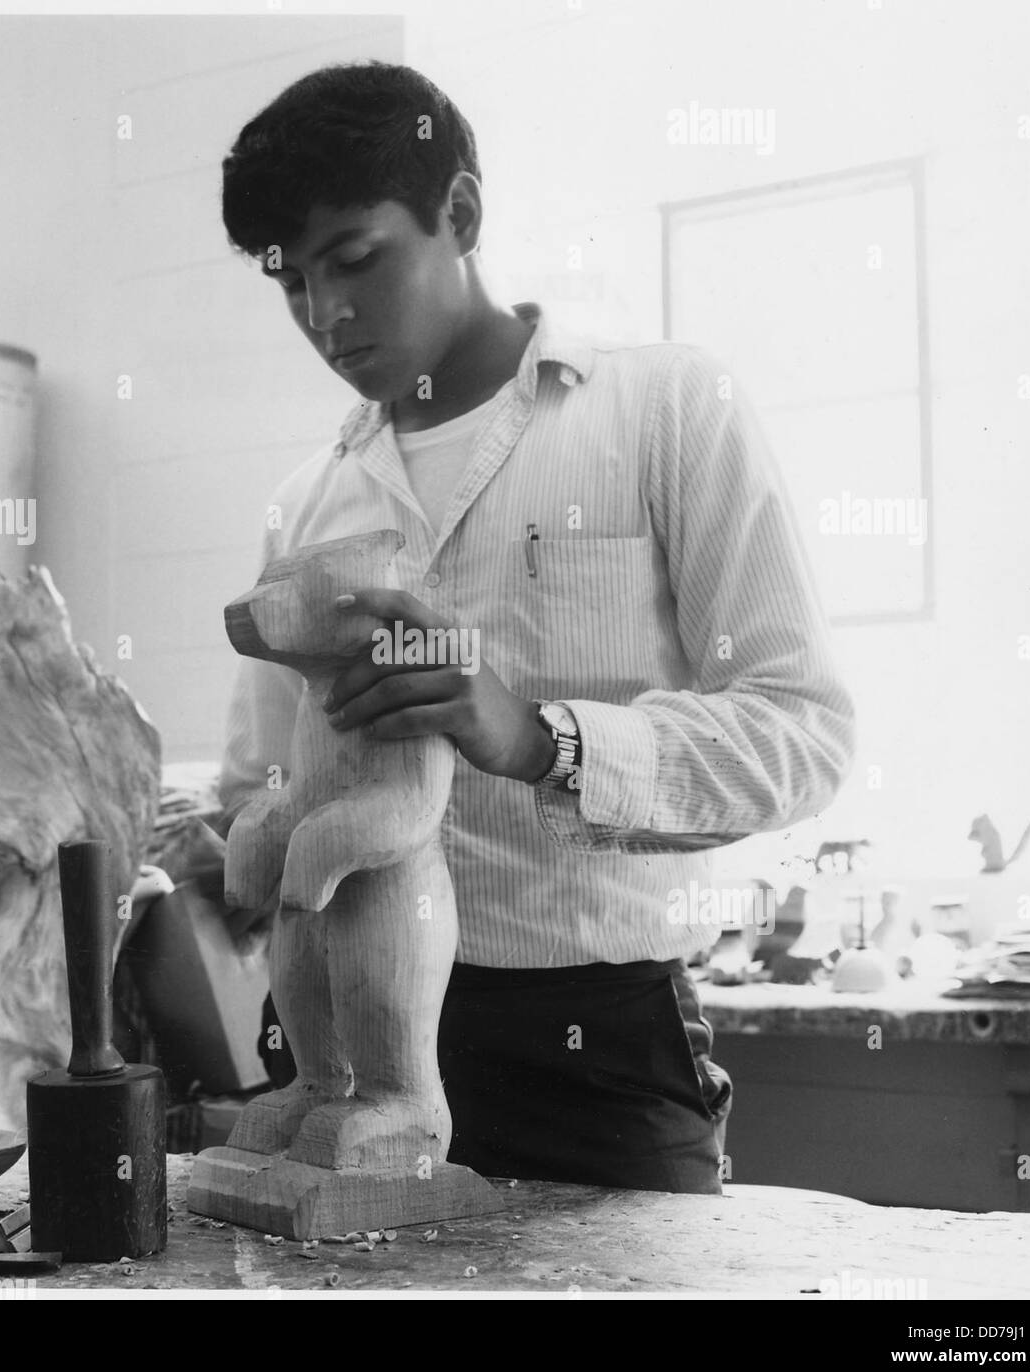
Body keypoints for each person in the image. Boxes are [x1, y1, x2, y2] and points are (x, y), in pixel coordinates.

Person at [213, 61, 855, 1192]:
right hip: (334, 1046)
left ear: (459, 212)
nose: (327, 316)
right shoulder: (308, 507)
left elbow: (802, 737)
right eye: (290, 283)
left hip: (583, 1048)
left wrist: (539, 739)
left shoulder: (663, 410)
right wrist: (256, 833)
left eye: (355, 260)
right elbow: (256, 789)